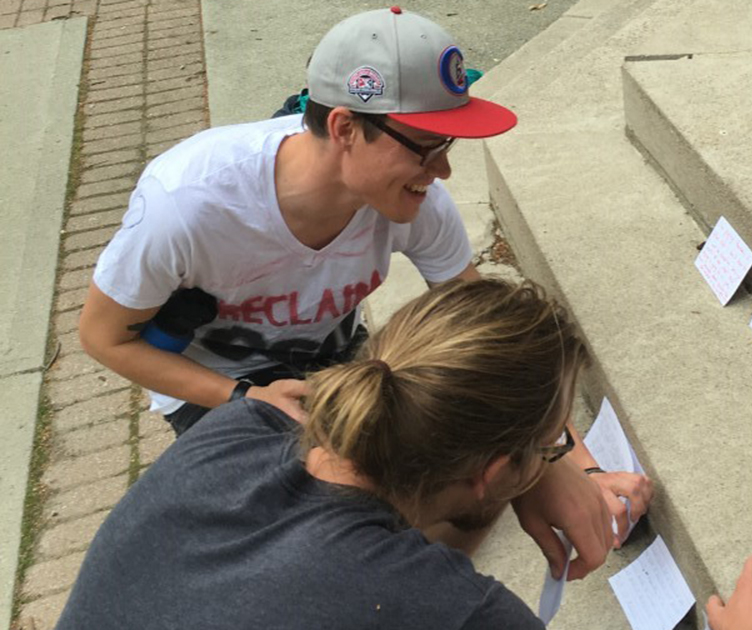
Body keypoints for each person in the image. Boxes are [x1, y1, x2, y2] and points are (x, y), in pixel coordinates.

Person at [77, 6, 652, 580]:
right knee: (321, 542)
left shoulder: (414, 200)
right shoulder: (188, 204)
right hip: (220, 395)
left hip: (337, 369)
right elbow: (103, 339)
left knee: (454, 491)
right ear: (345, 128)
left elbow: (497, 352)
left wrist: (571, 467)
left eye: (447, 144)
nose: (444, 170)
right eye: (427, 146)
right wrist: (241, 399)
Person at [55, 279, 752, 629]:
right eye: (555, 443)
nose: (561, 458)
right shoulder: (448, 608)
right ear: (487, 471)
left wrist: (531, 467)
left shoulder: (240, 428)